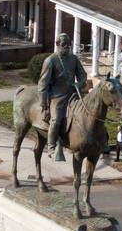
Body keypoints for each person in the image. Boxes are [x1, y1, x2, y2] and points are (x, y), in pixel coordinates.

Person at [37, 32, 87, 161]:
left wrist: (80, 83)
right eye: (64, 45)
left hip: (73, 93)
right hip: (57, 96)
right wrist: (44, 105)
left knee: (87, 112)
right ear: (57, 44)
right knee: (56, 119)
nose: (67, 47)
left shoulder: (74, 59)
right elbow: (43, 84)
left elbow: (83, 75)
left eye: (68, 45)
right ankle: (51, 146)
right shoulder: (50, 60)